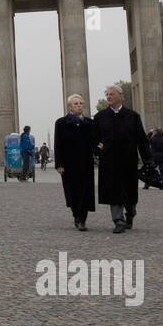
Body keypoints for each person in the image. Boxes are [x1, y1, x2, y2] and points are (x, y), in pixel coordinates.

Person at [94, 85, 150, 233]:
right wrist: (97, 150)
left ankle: (130, 213)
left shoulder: (133, 116)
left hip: (128, 160)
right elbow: (94, 138)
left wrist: (147, 160)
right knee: (114, 191)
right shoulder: (100, 117)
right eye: (107, 94)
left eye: (112, 94)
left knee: (129, 191)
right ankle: (118, 220)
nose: (109, 97)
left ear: (120, 96)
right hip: (109, 161)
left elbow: (142, 140)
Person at [54, 94, 96, 230]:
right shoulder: (61, 123)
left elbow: (94, 141)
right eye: (76, 104)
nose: (79, 106)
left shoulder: (89, 123)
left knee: (86, 191)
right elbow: (58, 144)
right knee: (72, 191)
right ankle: (76, 214)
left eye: (81, 103)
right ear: (70, 107)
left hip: (86, 162)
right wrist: (59, 164)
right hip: (68, 163)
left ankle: (81, 219)